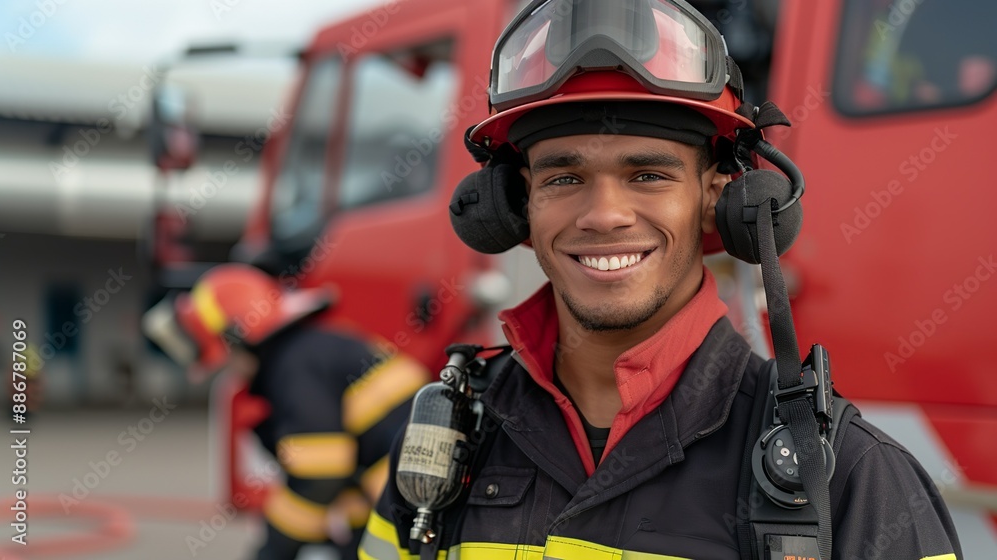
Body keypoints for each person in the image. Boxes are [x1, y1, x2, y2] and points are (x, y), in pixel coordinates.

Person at [360, 1, 962, 559]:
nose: (603, 215)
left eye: (648, 175)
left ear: (720, 203)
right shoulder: (442, 446)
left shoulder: (855, 478)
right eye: (563, 179)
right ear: (516, 210)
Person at [142, 263, 430, 559]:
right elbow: (347, 476)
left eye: (225, 355)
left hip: (417, 502)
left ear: (238, 339)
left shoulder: (292, 368)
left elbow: (318, 477)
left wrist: (271, 551)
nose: (228, 369)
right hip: (417, 496)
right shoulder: (311, 349)